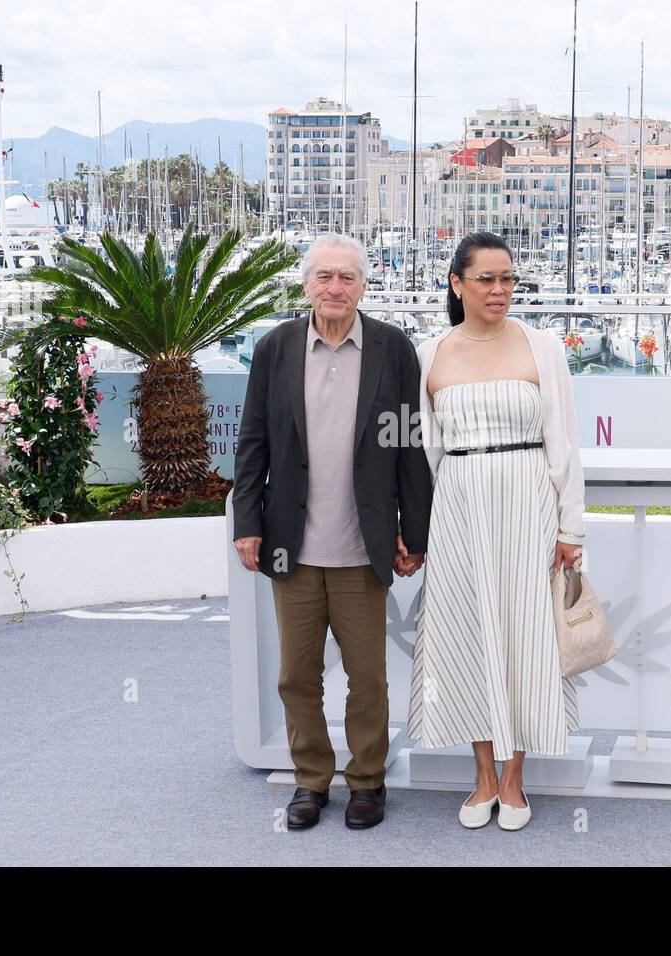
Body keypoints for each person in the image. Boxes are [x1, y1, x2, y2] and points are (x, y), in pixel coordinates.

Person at [230, 233, 433, 830]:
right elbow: (253, 443)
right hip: (291, 542)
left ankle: (368, 780)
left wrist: (412, 532)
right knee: (297, 675)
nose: (335, 287)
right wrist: (247, 524)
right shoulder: (275, 348)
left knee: (367, 678)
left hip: (361, 547)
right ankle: (311, 781)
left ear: (363, 286)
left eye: (346, 277)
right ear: (307, 285)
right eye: (324, 276)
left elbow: (407, 443)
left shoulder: (393, 349)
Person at [407, 232, 586, 832]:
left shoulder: (543, 347)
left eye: (508, 278)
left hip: (528, 503)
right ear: (457, 285)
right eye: (486, 279)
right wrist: (419, 527)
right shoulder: (429, 353)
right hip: (457, 507)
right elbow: (423, 451)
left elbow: (564, 445)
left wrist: (571, 527)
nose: (500, 290)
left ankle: (515, 779)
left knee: (525, 638)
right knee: (468, 637)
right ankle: (483, 774)